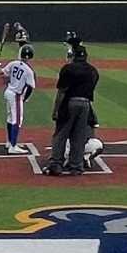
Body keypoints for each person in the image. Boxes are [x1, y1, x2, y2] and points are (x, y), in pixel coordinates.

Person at [47, 34, 99, 175]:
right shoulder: (93, 71)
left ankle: (56, 164)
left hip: (70, 103)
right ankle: (76, 166)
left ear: (74, 56)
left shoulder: (68, 69)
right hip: (86, 104)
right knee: (79, 135)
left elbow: (62, 91)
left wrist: (56, 109)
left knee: (61, 134)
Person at [0, 43, 36, 154]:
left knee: (10, 117)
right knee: (17, 120)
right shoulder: (29, 71)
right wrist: (25, 98)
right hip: (16, 95)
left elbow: (2, 73)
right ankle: (13, 146)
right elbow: (30, 87)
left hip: (8, 92)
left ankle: (9, 141)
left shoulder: (13, 63)